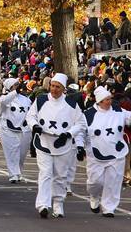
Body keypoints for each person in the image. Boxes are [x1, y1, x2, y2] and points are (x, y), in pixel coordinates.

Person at [27, 72, 87, 218]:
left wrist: (69, 134)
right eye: (52, 86)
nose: (54, 89)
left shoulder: (71, 104)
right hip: (44, 142)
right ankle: (43, 204)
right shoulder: (41, 100)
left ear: (63, 89)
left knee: (60, 175)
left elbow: (81, 123)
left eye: (57, 87)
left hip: (63, 144)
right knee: (45, 173)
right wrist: (35, 126)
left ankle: (58, 203)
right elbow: (30, 115)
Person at [82, 86, 131, 217]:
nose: (109, 101)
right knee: (95, 182)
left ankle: (109, 207)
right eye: (106, 99)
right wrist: (79, 146)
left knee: (113, 181)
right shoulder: (88, 115)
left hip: (116, 153)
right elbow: (80, 132)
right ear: (99, 101)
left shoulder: (118, 111)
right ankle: (94, 196)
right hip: (95, 154)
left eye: (109, 99)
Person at [0, 78, 31, 183]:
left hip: (24, 129)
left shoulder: (26, 99)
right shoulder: (3, 98)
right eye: (15, 85)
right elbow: (4, 101)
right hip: (8, 129)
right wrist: (15, 92)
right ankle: (13, 174)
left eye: (18, 84)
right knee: (12, 152)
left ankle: (19, 172)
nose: (17, 86)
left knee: (22, 153)